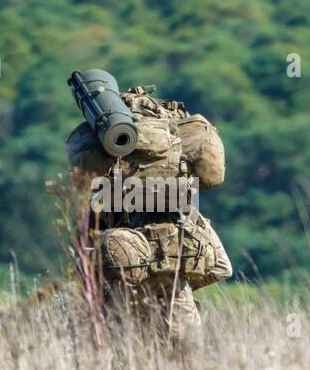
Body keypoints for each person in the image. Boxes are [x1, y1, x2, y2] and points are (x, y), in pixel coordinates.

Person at [65, 70, 231, 340]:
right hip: (173, 259)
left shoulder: (97, 138)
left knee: (120, 345)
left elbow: (81, 183)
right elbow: (210, 177)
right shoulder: (174, 135)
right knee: (183, 347)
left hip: (120, 259)